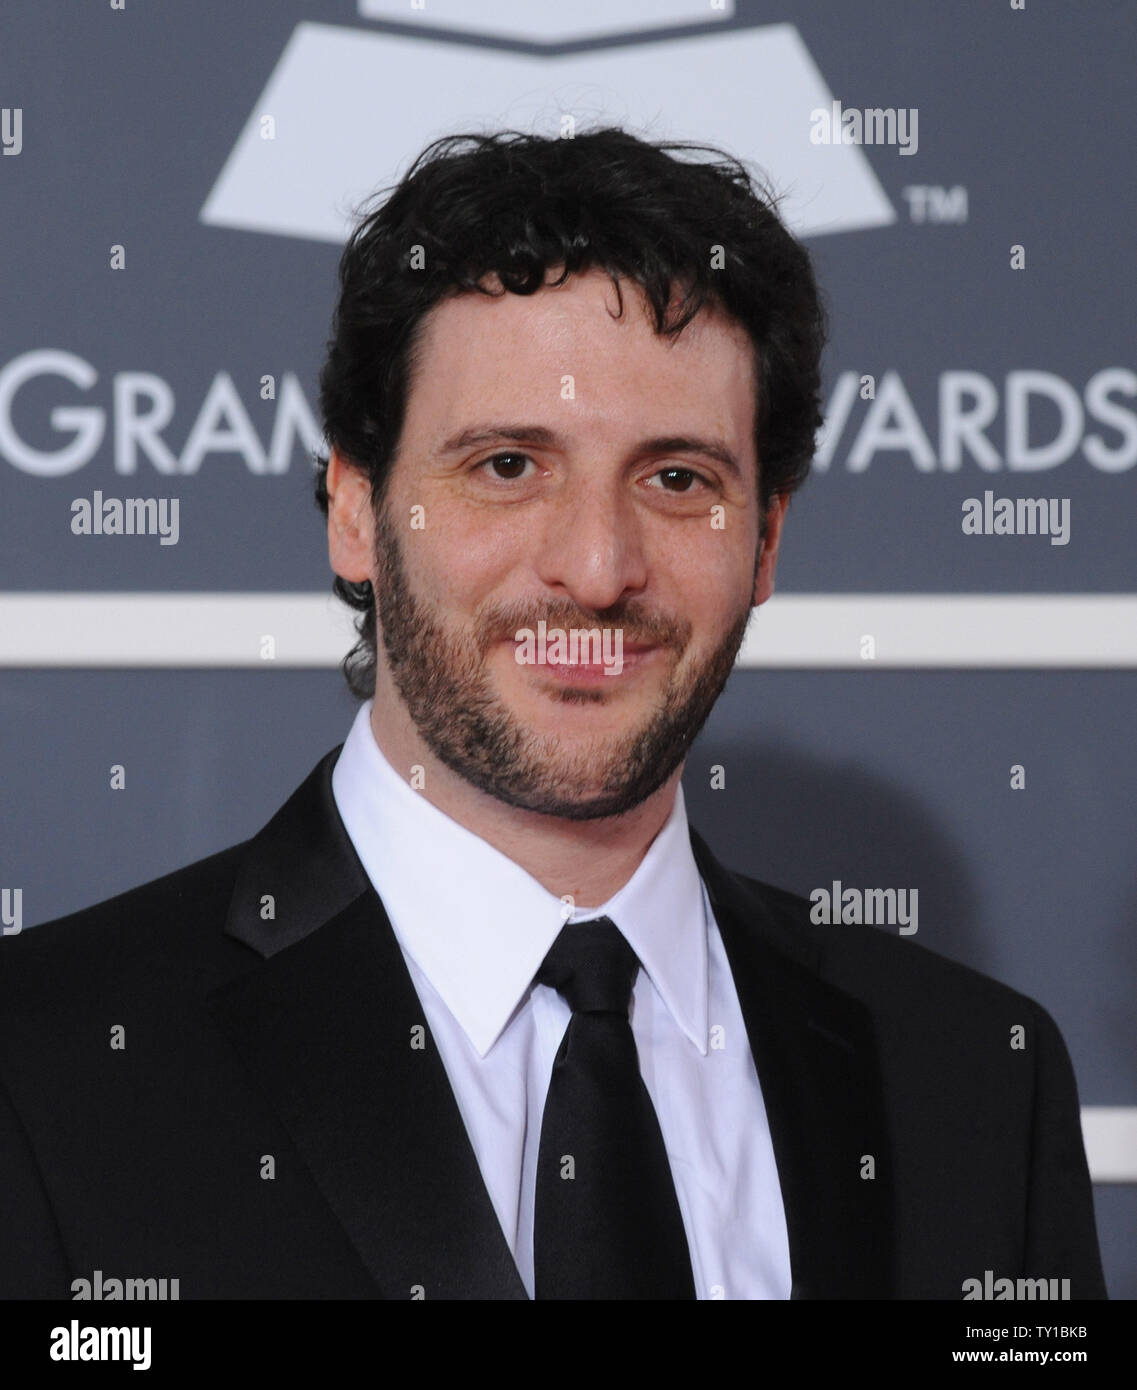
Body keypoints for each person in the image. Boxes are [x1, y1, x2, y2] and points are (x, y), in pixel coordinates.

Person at [0, 129, 1105, 1300]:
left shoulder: (978, 1083)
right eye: (509, 465)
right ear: (353, 507)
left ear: (767, 538)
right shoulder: (46, 1069)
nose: (595, 565)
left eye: (677, 478)